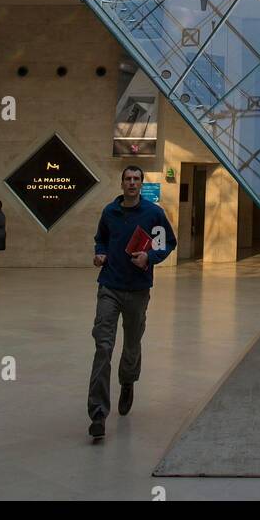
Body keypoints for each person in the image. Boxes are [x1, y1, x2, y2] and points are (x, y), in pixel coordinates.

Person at [87, 165, 176, 441]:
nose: (132, 183)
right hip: (109, 286)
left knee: (132, 343)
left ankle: (127, 381)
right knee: (103, 346)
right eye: (128, 179)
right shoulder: (109, 212)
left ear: (141, 183)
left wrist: (150, 258)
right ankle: (98, 414)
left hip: (138, 289)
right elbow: (100, 239)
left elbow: (168, 243)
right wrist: (100, 254)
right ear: (122, 182)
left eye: (137, 179)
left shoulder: (153, 213)